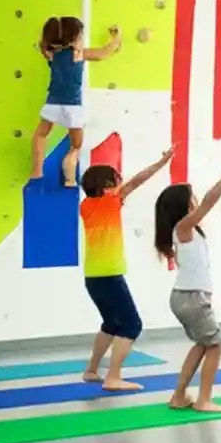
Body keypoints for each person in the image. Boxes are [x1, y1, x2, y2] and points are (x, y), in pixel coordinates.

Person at [79, 147, 175, 391]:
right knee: (132, 325)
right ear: (107, 186)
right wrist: (162, 162)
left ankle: (91, 370)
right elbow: (138, 181)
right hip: (110, 275)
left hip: (93, 276)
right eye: (116, 179)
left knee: (111, 323)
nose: (121, 182)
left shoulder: (86, 206)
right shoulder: (111, 202)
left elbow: (128, 183)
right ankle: (113, 377)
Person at [154, 159, 221, 413]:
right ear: (183, 206)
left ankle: (179, 396)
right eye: (191, 199)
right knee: (216, 344)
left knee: (204, 343)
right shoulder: (183, 227)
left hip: (187, 296)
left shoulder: (188, 231)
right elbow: (208, 202)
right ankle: (204, 399)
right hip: (191, 297)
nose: (195, 202)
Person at [31, 18, 121, 187]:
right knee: (75, 146)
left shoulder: (51, 54)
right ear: (72, 40)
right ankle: (70, 180)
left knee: (41, 134)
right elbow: (104, 53)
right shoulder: (78, 54)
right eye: (80, 37)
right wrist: (116, 38)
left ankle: (36, 172)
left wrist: (51, 41)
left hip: (53, 103)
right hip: (73, 108)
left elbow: (43, 46)